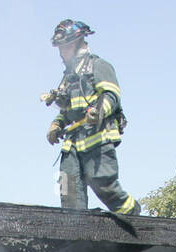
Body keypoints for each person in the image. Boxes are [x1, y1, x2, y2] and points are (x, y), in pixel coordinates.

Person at [45, 19, 139, 215]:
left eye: (66, 46)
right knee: (68, 195)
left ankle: (135, 219)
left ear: (78, 43)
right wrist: (56, 125)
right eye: (61, 48)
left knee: (105, 188)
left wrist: (98, 111)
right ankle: (78, 239)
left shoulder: (99, 66)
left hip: (97, 140)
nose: (62, 52)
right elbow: (67, 110)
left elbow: (111, 96)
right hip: (71, 146)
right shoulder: (68, 78)